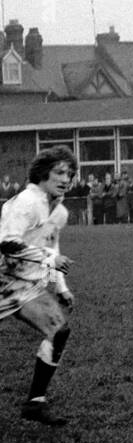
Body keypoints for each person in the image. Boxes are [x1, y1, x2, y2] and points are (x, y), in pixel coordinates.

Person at [0, 147, 78, 426]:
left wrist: (60, 286)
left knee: (59, 329)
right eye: (59, 172)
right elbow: (7, 242)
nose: (66, 178)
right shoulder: (27, 202)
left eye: (70, 173)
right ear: (42, 173)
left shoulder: (59, 211)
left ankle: (35, 403)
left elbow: (51, 245)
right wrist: (49, 259)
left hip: (25, 285)